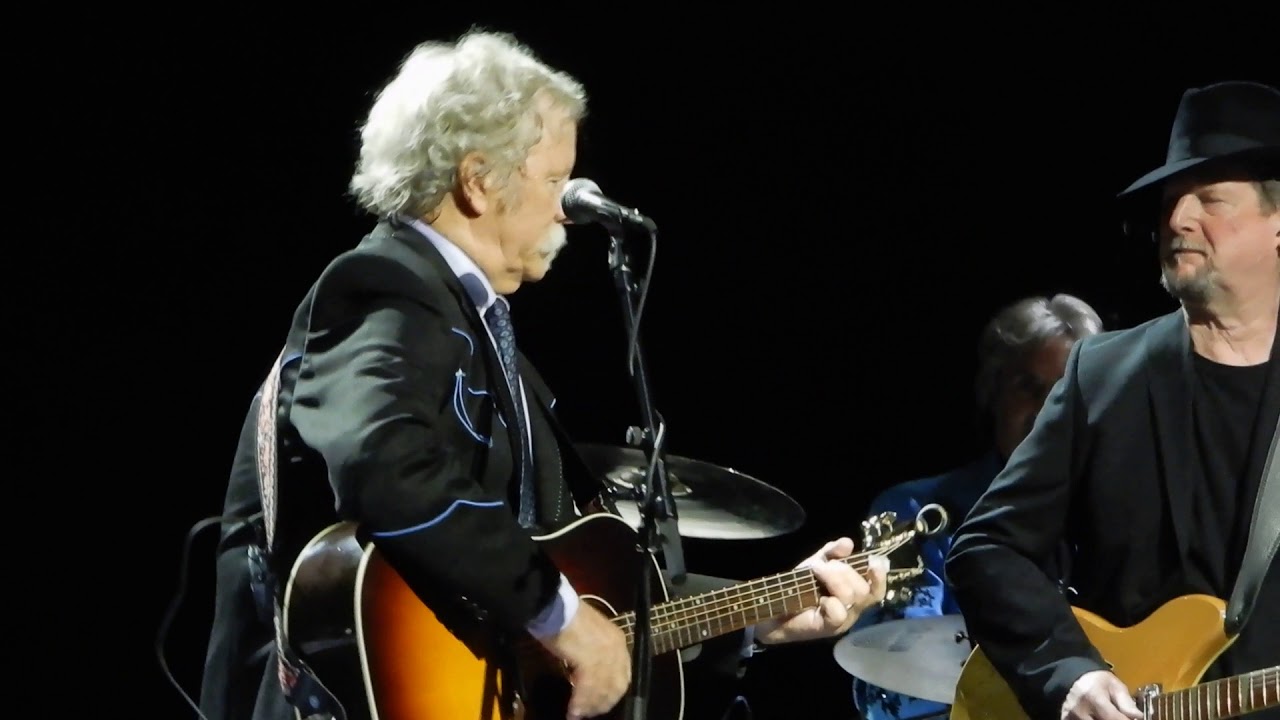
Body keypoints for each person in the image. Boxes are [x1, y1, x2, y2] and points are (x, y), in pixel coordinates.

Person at [197, 29, 889, 720]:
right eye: (555, 179)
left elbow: (575, 579)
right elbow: (386, 464)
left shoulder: (486, 341)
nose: (565, 207)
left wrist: (760, 613)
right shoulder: (383, 285)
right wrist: (557, 616)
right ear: (477, 181)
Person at [945, 79, 1280, 720]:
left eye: (1210, 198)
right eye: (1171, 200)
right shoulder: (1105, 374)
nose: (1178, 218)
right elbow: (987, 549)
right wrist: (1069, 675)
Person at [850, 294, 1104, 720]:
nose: (1046, 409)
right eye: (1028, 387)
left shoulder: (1121, 512)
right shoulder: (917, 510)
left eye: (1063, 391)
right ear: (994, 394)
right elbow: (888, 684)